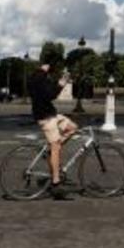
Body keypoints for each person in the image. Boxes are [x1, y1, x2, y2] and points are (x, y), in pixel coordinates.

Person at [29, 60, 77, 200]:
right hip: (46, 117)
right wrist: (61, 84)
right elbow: (51, 94)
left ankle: (52, 152)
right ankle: (56, 183)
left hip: (52, 115)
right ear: (45, 65)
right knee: (56, 146)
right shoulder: (40, 77)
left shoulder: (37, 77)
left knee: (72, 128)